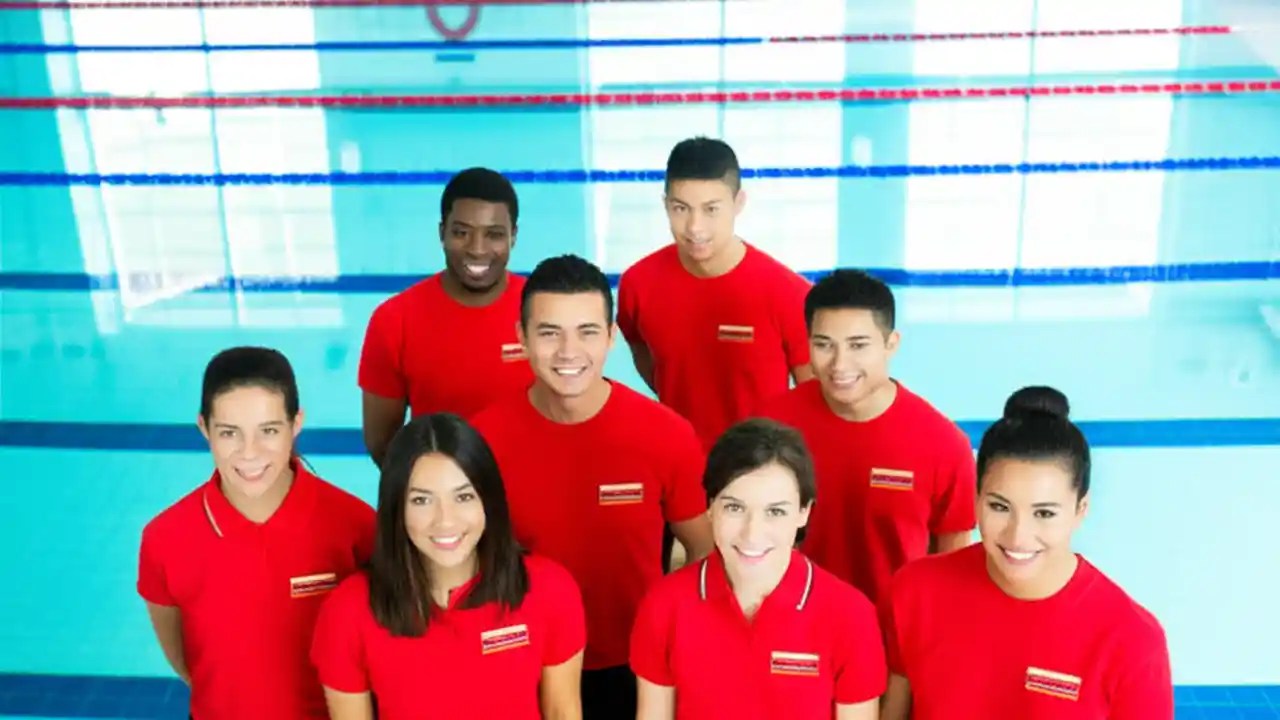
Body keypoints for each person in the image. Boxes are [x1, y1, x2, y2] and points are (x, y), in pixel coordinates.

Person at [470, 254, 715, 720]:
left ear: (611, 337)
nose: (568, 352)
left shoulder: (665, 434)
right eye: (549, 333)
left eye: (586, 332)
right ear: (521, 338)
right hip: (518, 661)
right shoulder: (483, 442)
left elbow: (703, 557)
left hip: (632, 664)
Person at [879, 387, 1174, 719]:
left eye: (1044, 513)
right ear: (976, 499)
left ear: (1081, 510)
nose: (1018, 536)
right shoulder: (916, 591)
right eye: (999, 507)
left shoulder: (1131, 641)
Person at [136, 346, 376, 720]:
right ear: (204, 428)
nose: (250, 453)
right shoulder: (165, 538)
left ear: (296, 424)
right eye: (229, 432)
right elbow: (187, 663)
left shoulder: (355, 526)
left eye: (268, 431)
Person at [616, 136, 813, 571]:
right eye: (680, 208)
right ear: (665, 203)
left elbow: (811, 398)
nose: (695, 227)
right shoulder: (639, 284)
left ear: (739, 202)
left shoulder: (786, 293)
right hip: (676, 474)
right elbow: (642, 349)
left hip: (760, 474)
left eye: (711, 208)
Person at [310, 413, 586, 719]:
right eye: (421, 501)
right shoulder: (348, 611)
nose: (445, 520)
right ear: (395, 509)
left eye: (464, 496)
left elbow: (562, 712)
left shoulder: (549, 590)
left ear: (488, 500)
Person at [629, 418, 886, 719]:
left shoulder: (851, 616)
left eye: (775, 511)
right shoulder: (664, 605)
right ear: (710, 507)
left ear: (804, 512)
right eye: (735, 507)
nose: (752, 533)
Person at [756, 269, 975, 609]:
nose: (840, 365)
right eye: (823, 345)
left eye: (858, 345)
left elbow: (953, 561)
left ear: (891, 344)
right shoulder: (771, 426)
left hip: (892, 633)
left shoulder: (943, 445)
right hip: (792, 625)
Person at [358, 167, 531, 468]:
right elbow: (384, 445)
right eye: (461, 233)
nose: (477, 250)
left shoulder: (543, 309)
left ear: (513, 236)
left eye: (494, 235)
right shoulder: (394, 320)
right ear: (442, 233)